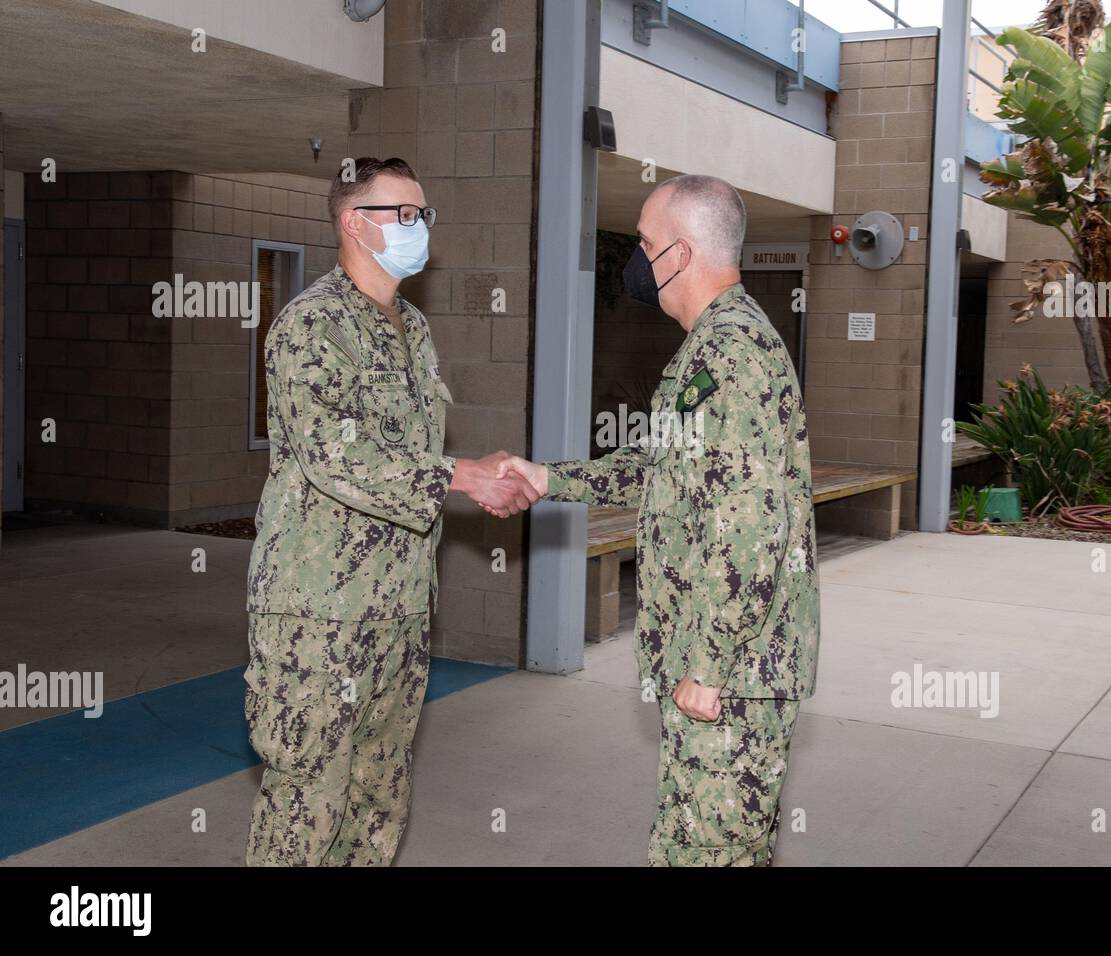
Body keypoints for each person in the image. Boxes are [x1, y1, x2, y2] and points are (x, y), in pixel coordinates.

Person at [501, 174, 819, 866]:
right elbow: (658, 467)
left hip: (732, 671)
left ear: (680, 252)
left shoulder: (732, 354)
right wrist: (548, 477)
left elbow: (752, 526)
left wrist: (707, 664)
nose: (637, 260)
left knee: (706, 853)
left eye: (645, 243)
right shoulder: (710, 347)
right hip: (722, 663)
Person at [243, 156, 537, 866]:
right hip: (319, 615)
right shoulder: (311, 326)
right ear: (353, 223)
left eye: (422, 215)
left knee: (378, 801)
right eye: (401, 214)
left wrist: (478, 471)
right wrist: (461, 475)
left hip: (399, 608)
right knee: (306, 810)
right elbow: (335, 457)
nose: (417, 227)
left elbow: (408, 449)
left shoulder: (410, 326)